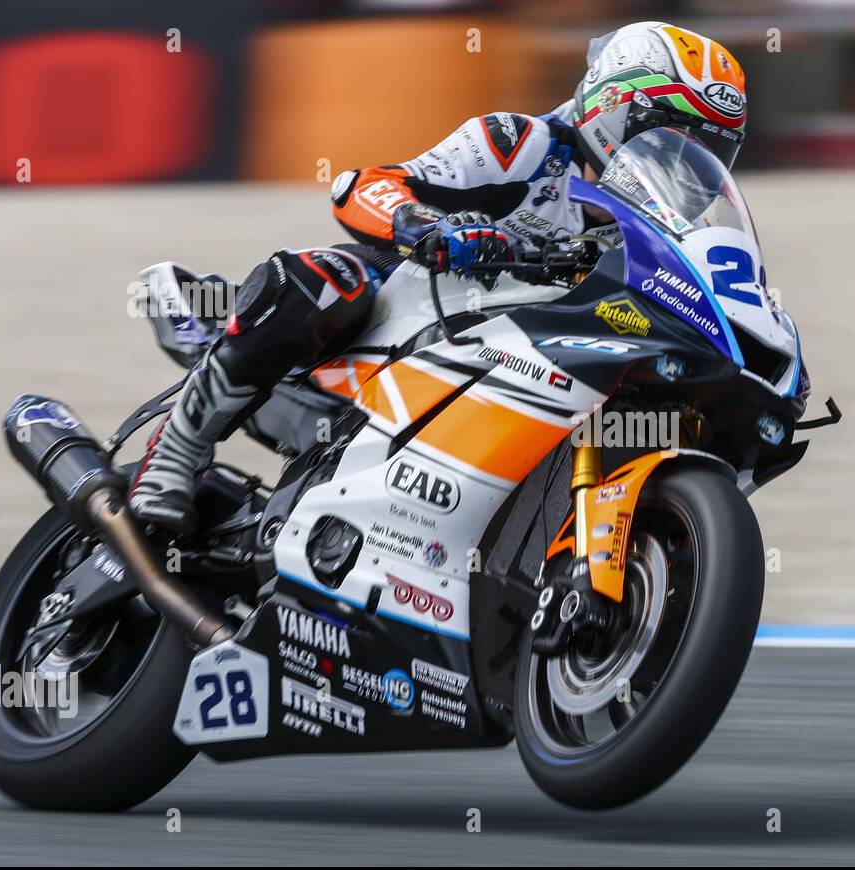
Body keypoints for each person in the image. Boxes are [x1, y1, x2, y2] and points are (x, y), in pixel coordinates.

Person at [129, 21, 748, 535]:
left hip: (539, 369)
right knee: (324, 279)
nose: (686, 167)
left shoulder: (671, 230)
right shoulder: (521, 145)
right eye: (672, 140)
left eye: (709, 150)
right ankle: (177, 449)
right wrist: (426, 227)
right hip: (415, 318)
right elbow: (361, 186)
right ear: (614, 110)